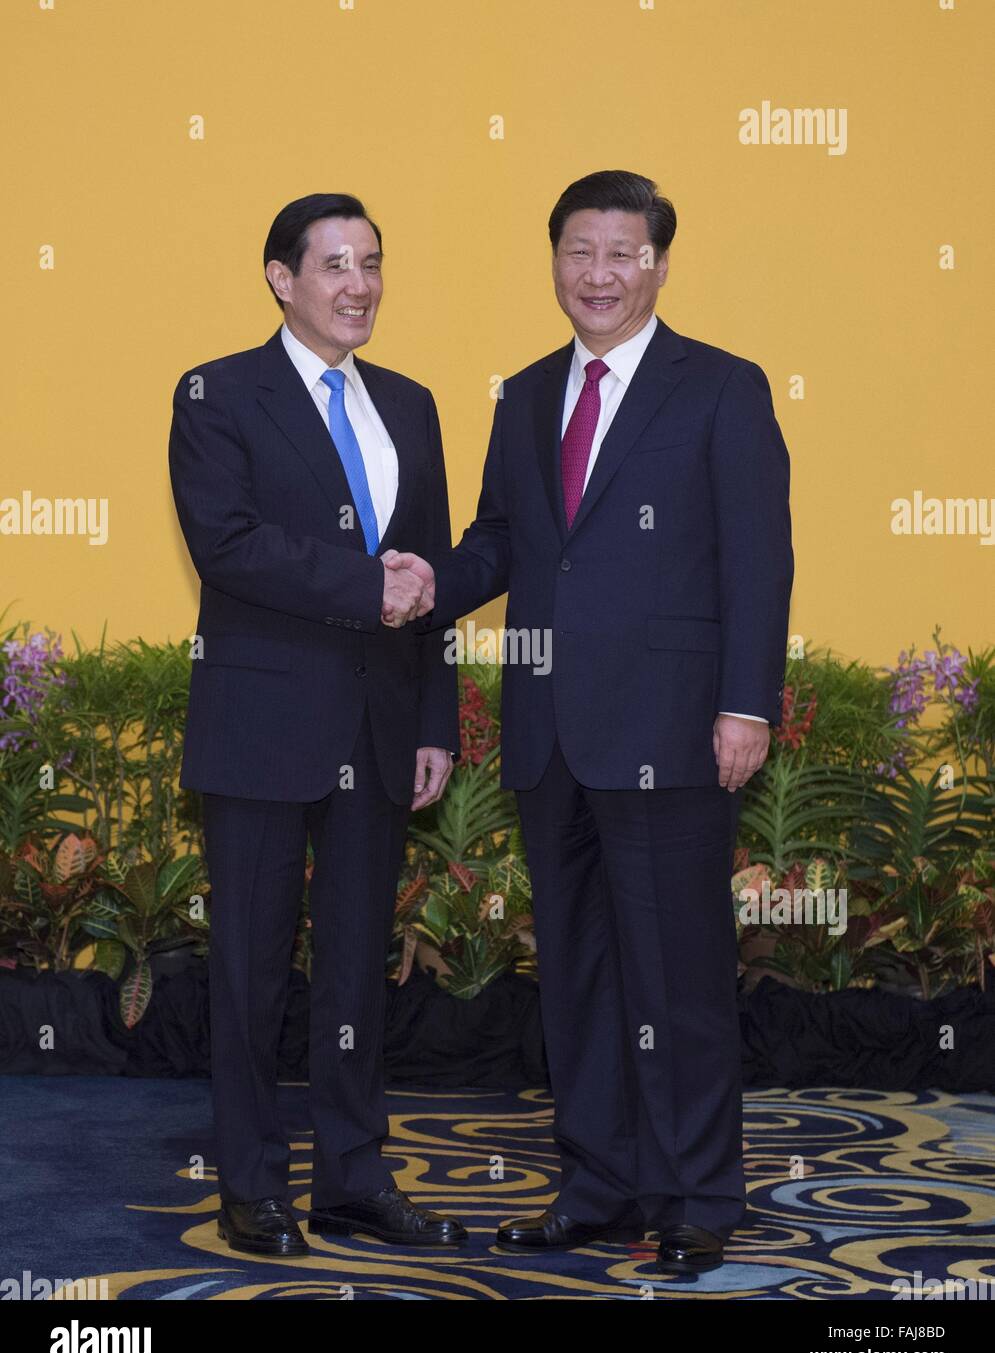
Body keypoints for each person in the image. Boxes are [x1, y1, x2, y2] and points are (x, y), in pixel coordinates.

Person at [382, 169, 793, 1274]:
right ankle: (601, 1182)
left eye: (621, 253)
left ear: (658, 262)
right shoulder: (522, 396)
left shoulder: (719, 387)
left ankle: (698, 1193)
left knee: (679, 975)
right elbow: (506, 542)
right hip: (548, 732)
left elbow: (759, 557)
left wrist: (745, 701)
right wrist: (431, 577)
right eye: (578, 252)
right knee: (574, 973)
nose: (597, 274)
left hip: (671, 729)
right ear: (554, 259)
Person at [168, 192, 465, 1256]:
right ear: (279, 278)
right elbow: (227, 545)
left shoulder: (411, 403)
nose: (358, 285)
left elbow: (423, 577)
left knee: (353, 970)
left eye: (372, 263)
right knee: (250, 970)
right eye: (334, 264)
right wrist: (362, 586)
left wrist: (435, 715)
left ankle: (350, 1175)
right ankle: (249, 1184)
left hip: (379, 732)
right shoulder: (217, 393)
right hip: (260, 726)